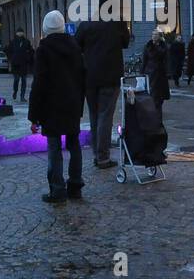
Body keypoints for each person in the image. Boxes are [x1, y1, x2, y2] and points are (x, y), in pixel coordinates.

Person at [27, 10, 86, 204]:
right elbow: (82, 77)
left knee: (54, 148)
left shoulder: (43, 50)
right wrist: (79, 103)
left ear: (45, 28)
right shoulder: (75, 47)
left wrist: (33, 115)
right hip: (72, 104)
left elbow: (39, 83)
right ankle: (76, 186)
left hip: (51, 106)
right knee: (74, 145)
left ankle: (58, 190)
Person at [75, 16, 130, 168]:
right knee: (105, 116)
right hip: (110, 78)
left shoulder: (86, 25)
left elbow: (76, 45)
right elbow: (126, 42)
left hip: (90, 78)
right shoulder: (117, 23)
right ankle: (103, 157)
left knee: (94, 116)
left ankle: (96, 154)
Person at [142, 28, 171, 119]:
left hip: (160, 73)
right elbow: (145, 59)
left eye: (156, 34)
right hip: (150, 72)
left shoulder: (163, 46)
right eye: (153, 34)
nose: (154, 36)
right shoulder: (148, 46)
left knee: (160, 95)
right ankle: (153, 112)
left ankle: (157, 111)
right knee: (152, 93)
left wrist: (168, 71)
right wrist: (142, 72)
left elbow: (165, 58)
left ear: (159, 36)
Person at [7, 28, 34, 102]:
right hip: (15, 64)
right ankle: (15, 91)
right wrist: (12, 58)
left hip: (23, 64)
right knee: (16, 80)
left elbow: (31, 51)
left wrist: (28, 58)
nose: (20, 34)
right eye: (19, 32)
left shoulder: (26, 42)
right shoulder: (13, 42)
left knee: (24, 80)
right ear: (16, 33)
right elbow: (8, 51)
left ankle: (22, 96)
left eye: (21, 32)